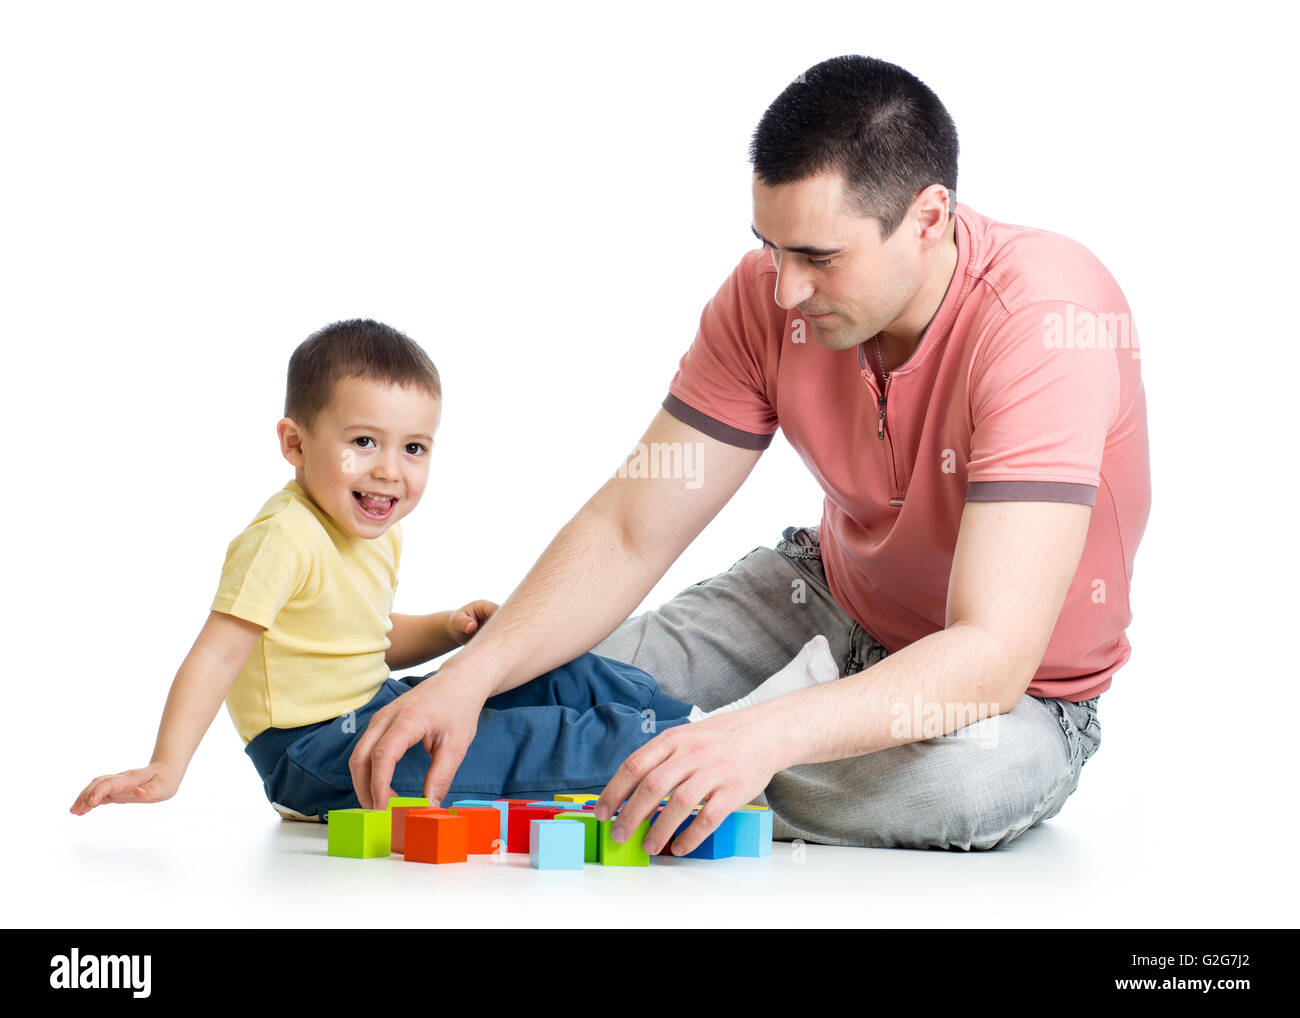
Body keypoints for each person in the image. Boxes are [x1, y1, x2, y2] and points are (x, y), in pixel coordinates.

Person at [349, 54, 1151, 855]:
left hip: (1011, 698)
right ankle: (449, 755)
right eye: (773, 248)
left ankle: (641, 767)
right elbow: (632, 528)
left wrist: (760, 737)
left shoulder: (1046, 320)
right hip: (822, 602)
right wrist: (477, 672)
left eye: (819, 258)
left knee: (970, 784)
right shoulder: (766, 296)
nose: (784, 293)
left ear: (928, 218)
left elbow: (990, 654)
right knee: (534, 682)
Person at [69, 319, 839, 821]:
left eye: (413, 449)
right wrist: (167, 766)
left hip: (372, 705)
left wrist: (447, 631)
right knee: (522, 744)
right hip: (314, 753)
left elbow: (357, 639)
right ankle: (701, 748)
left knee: (559, 673)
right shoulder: (284, 538)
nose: (389, 473)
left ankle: (695, 724)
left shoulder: (369, 530)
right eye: (363, 442)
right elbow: (220, 652)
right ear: (295, 444)